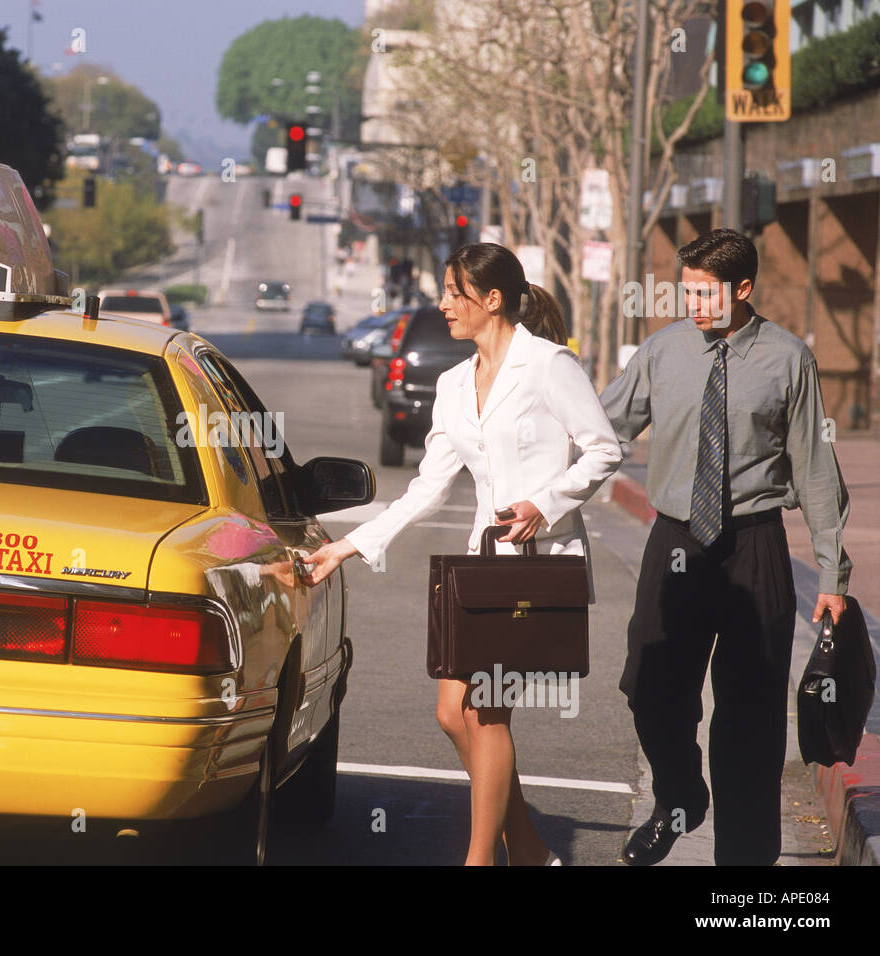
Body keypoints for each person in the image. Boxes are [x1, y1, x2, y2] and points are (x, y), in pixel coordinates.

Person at [303, 242, 623, 865]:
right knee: (455, 713)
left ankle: (481, 861)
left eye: (455, 292)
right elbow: (427, 485)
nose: (443, 304)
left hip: (537, 566)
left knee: (485, 707)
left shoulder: (550, 366)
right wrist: (346, 545)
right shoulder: (452, 384)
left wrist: (544, 504)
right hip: (478, 569)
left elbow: (602, 449)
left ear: (492, 299)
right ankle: (527, 845)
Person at [600, 228, 849, 866]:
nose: (691, 303)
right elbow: (601, 430)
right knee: (650, 684)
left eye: (704, 292)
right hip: (677, 538)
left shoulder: (789, 359)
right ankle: (679, 794)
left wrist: (832, 577)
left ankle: (744, 874)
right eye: (685, 290)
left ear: (742, 289)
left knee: (751, 713)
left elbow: (816, 468)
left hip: (755, 543)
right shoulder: (662, 352)